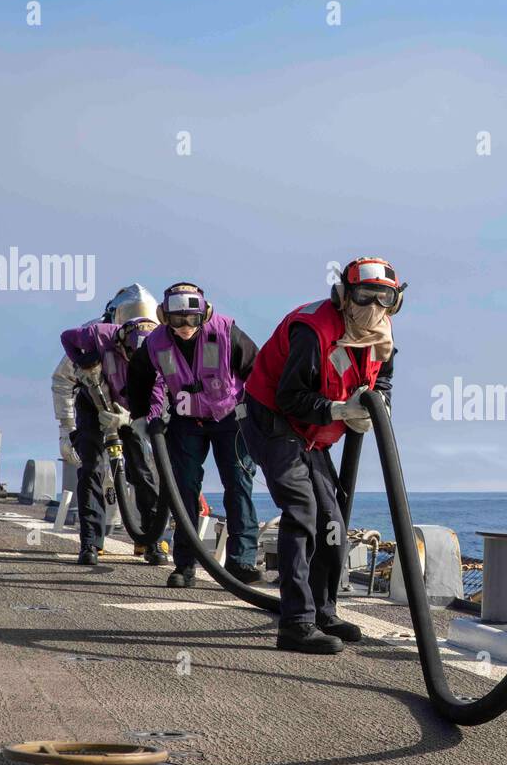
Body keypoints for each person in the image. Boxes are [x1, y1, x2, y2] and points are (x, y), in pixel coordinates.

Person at [240, 258, 398, 654]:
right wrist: (340, 411)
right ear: (344, 296)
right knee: (302, 512)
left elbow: (385, 379)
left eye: (386, 298)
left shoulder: (381, 335)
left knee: (333, 518)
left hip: (313, 434)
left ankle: (324, 610)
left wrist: (381, 406)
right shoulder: (314, 331)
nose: (374, 307)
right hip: (273, 421)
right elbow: (289, 397)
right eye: (365, 296)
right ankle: (295, 623)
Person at [127, 282, 262, 589]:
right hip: (185, 422)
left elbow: (257, 369)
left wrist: (258, 414)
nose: (185, 327)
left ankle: (241, 562)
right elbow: (138, 376)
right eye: (177, 320)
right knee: (184, 489)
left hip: (230, 419)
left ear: (204, 315)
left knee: (238, 485)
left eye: (192, 319)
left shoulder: (227, 332)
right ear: (164, 317)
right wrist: (139, 417)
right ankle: (185, 565)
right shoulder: (155, 343)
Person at [57, 284, 167, 566]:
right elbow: (62, 380)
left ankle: (150, 539)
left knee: (142, 470)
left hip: (131, 407)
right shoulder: (95, 334)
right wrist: (66, 430)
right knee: (91, 467)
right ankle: (91, 543)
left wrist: (128, 419)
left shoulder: (159, 346)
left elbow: (159, 396)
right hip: (92, 404)